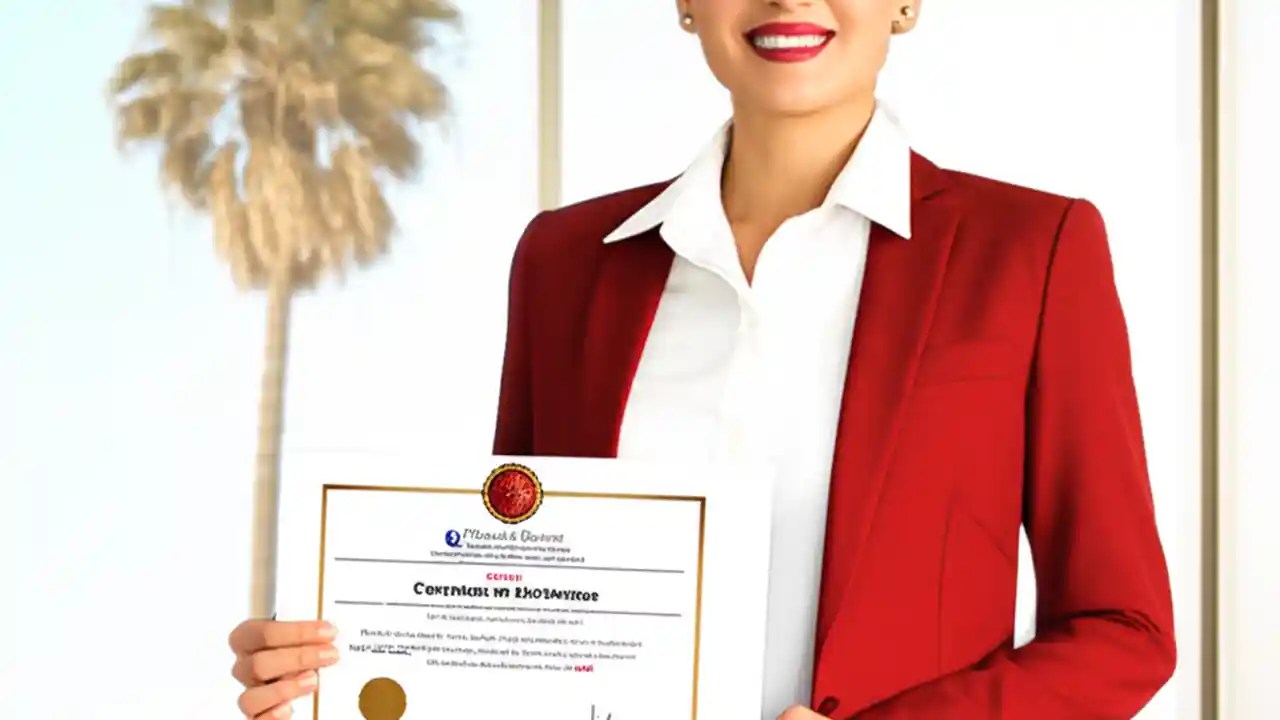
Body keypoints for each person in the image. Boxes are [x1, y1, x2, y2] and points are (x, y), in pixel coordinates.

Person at [227, 1, 1177, 718]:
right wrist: (330, 669)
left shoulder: (1031, 250)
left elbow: (1124, 632)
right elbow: (511, 597)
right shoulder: (565, 263)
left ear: (907, 2)